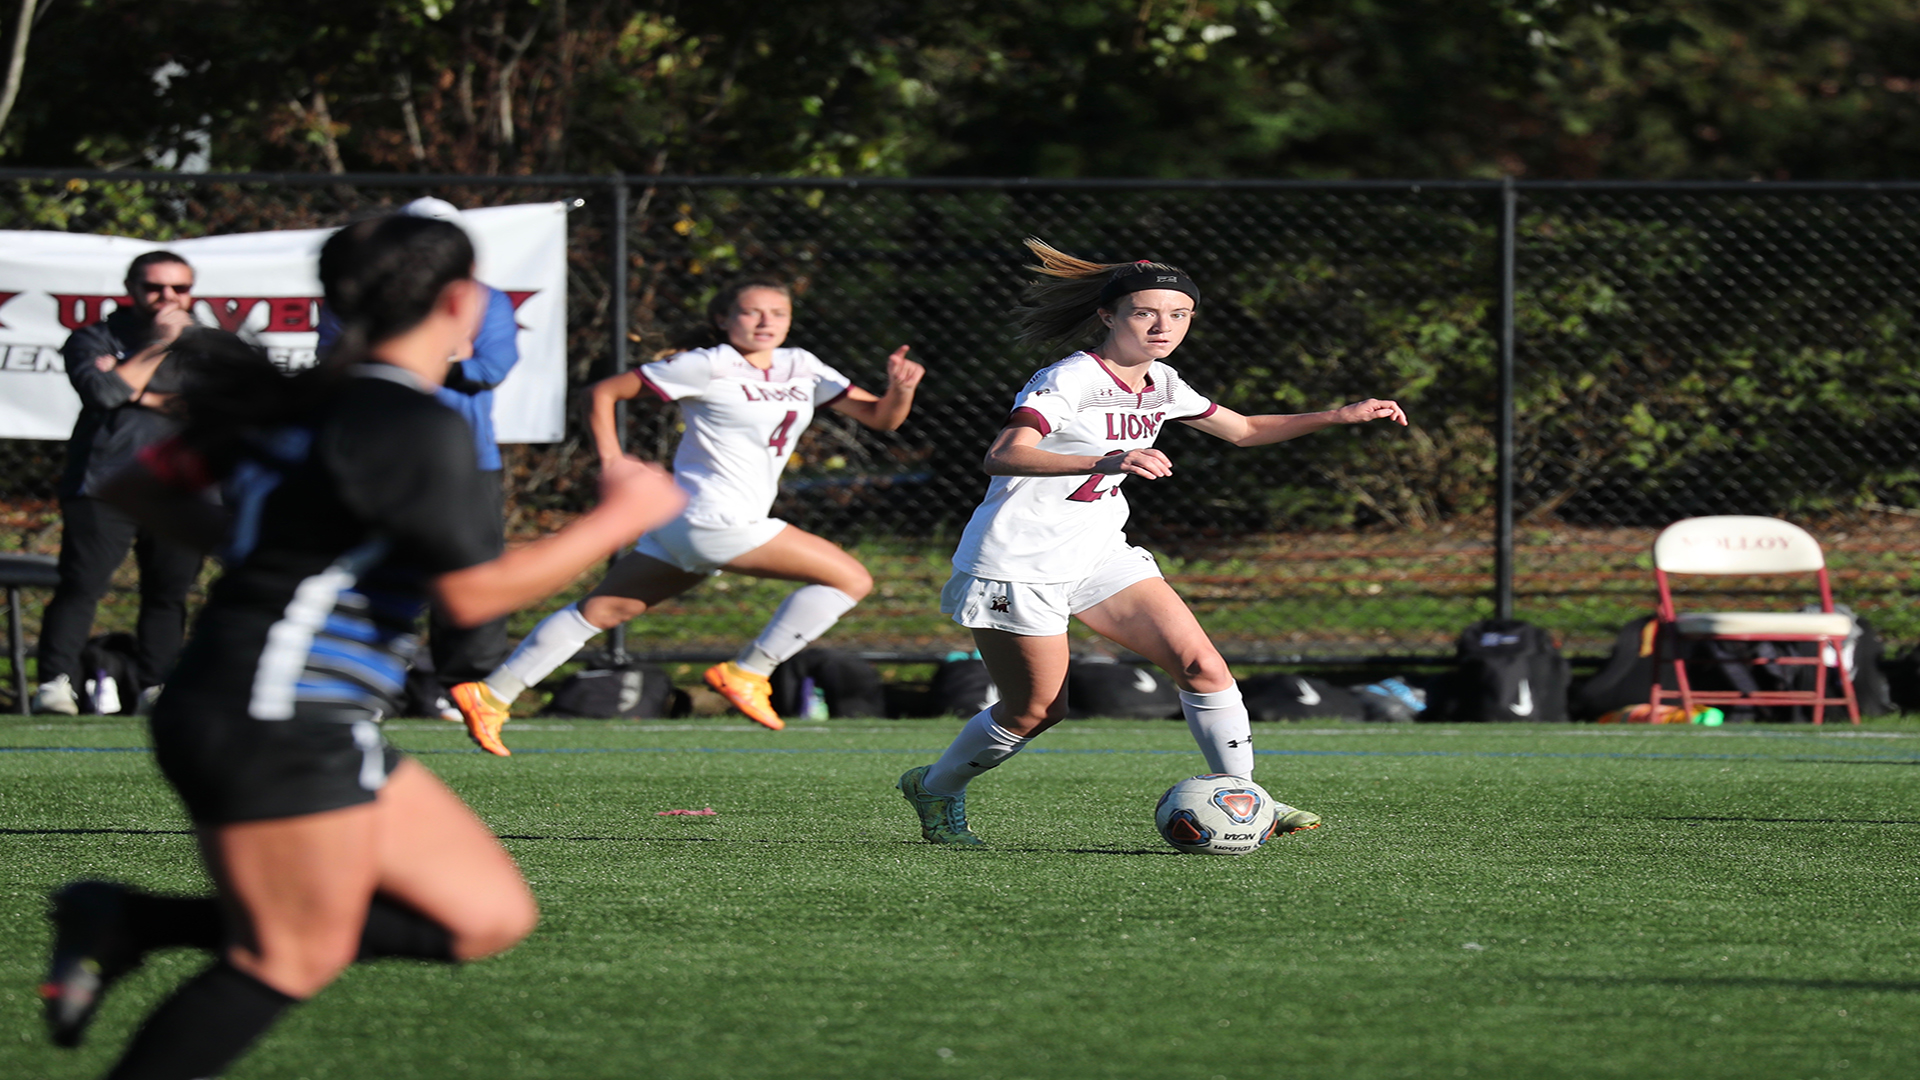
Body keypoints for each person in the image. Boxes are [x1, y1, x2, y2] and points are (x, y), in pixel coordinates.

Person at [38, 214, 685, 1079]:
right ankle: (129, 926)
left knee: (483, 916)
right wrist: (618, 520)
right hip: (269, 712)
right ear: (462, 302)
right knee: (285, 960)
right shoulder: (416, 423)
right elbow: (467, 595)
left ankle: (132, 921)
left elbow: (139, 483)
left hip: (291, 707)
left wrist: (288, 555)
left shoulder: (302, 397)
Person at [896, 239, 1407, 845]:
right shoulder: (1072, 377)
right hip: (1019, 562)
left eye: (1180, 314)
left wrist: (1336, 417)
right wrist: (1112, 457)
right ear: (1109, 316)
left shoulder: (1161, 382)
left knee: (1203, 666)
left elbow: (1240, 430)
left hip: (1098, 551)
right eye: (1145, 313)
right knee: (1036, 711)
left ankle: (1247, 798)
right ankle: (936, 788)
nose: (1164, 326)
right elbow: (1004, 454)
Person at [449, 277, 924, 752]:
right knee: (850, 579)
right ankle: (749, 672)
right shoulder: (707, 364)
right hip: (714, 517)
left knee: (602, 609)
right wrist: (613, 460)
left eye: (777, 313)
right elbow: (601, 393)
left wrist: (900, 389)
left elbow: (881, 418)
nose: (765, 322)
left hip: (689, 523)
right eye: (751, 312)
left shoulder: (802, 365)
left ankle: (491, 694)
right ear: (722, 319)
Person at [316, 197, 520, 716]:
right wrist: (613, 522)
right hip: (381, 454)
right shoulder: (357, 409)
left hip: (467, 458)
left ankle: (458, 686)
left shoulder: (487, 299)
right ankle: (370, 679)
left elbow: (491, 365)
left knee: (459, 567)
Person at [35, 252, 206, 714]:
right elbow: (102, 392)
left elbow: (217, 410)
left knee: (168, 594)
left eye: (179, 288)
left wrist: (134, 384)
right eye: (155, 288)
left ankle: (156, 687)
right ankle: (55, 682)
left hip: (180, 487)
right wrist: (159, 350)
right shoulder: (93, 337)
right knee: (81, 585)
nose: (167, 298)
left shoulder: (210, 344)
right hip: (103, 483)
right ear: (131, 289)